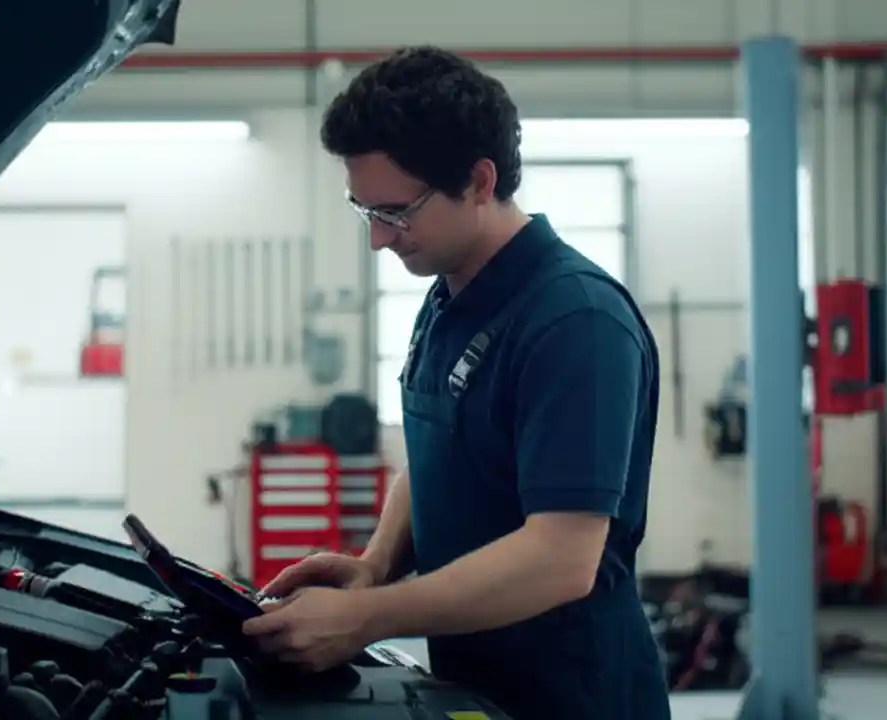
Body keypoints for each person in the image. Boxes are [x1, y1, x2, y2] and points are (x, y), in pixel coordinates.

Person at [242, 45, 670, 720]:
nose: (380, 239)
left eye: (397, 212)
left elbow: (562, 557)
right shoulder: (448, 296)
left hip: (573, 698)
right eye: (366, 212)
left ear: (478, 180)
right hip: (476, 685)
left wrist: (366, 617)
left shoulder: (574, 321)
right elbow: (443, 451)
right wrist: (377, 564)